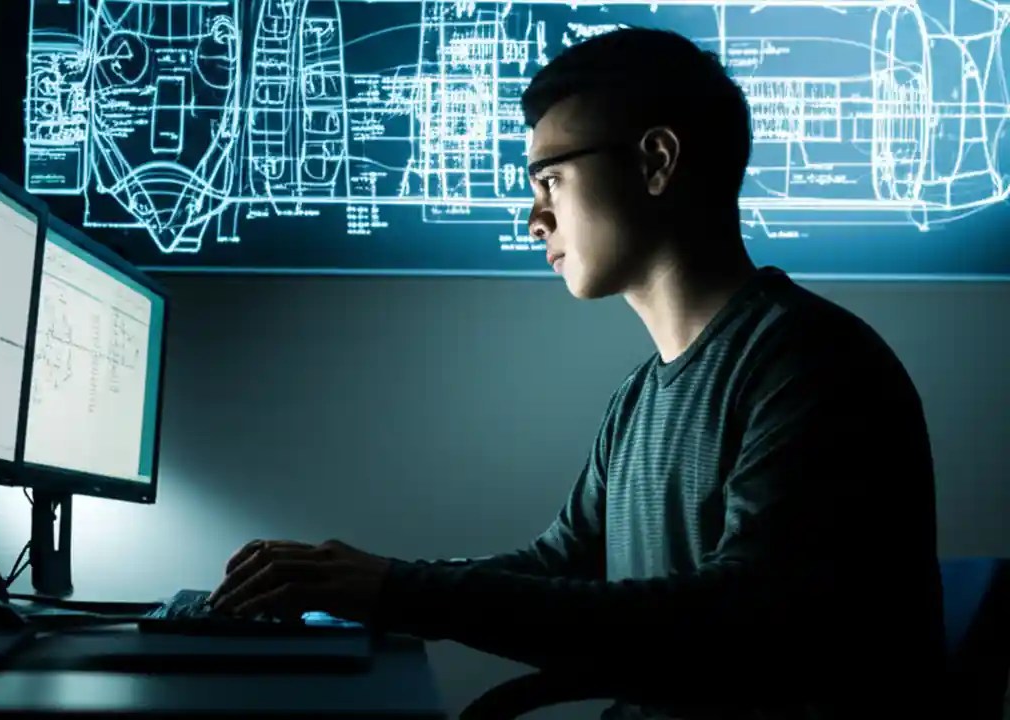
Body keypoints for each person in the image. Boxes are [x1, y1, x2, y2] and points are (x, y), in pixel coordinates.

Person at [206, 27, 945, 718]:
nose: (535, 218)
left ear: (656, 162)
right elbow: (562, 563)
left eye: (551, 180)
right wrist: (368, 585)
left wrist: (399, 590)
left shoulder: (813, 366)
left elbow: (738, 617)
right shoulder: (639, 397)